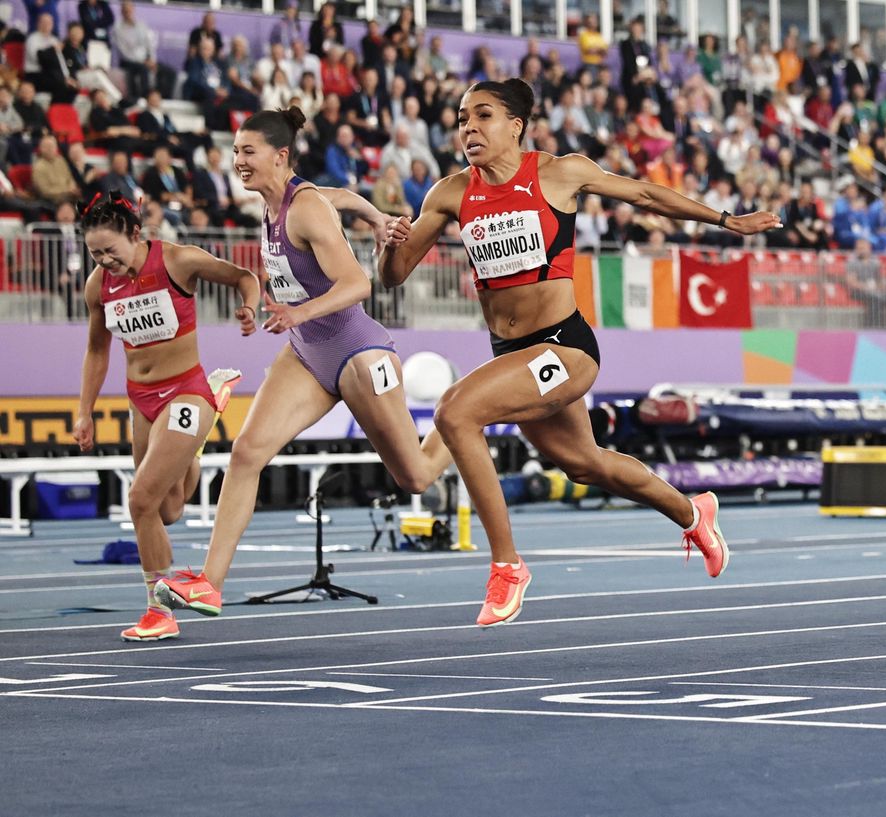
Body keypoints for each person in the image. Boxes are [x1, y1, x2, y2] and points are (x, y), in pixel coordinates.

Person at [378, 79, 781, 627]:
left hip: (565, 347)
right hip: (512, 353)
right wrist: (390, 244)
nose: (468, 128)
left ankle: (507, 566)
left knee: (455, 412)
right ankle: (693, 513)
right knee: (585, 465)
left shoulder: (558, 173)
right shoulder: (450, 194)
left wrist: (727, 221)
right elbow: (394, 277)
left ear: (515, 125)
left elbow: (645, 194)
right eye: (461, 119)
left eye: (483, 116)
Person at [153, 107, 452, 617]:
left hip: (359, 352)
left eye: (249, 152)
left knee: (416, 477)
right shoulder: (280, 203)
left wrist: (299, 311)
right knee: (246, 454)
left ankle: (466, 415)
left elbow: (358, 283)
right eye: (236, 152)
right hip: (307, 352)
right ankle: (209, 583)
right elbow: (343, 198)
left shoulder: (303, 207)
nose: (238, 161)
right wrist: (375, 216)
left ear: (280, 155)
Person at [73, 192, 259, 641]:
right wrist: (84, 412)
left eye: (110, 251)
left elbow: (244, 276)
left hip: (184, 393)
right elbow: (97, 350)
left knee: (138, 500)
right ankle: (194, 442)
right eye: (94, 253)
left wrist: (249, 307)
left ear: (135, 235)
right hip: (142, 401)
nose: (103, 261)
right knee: (166, 509)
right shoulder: (98, 286)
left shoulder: (178, 261)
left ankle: (159, 610)